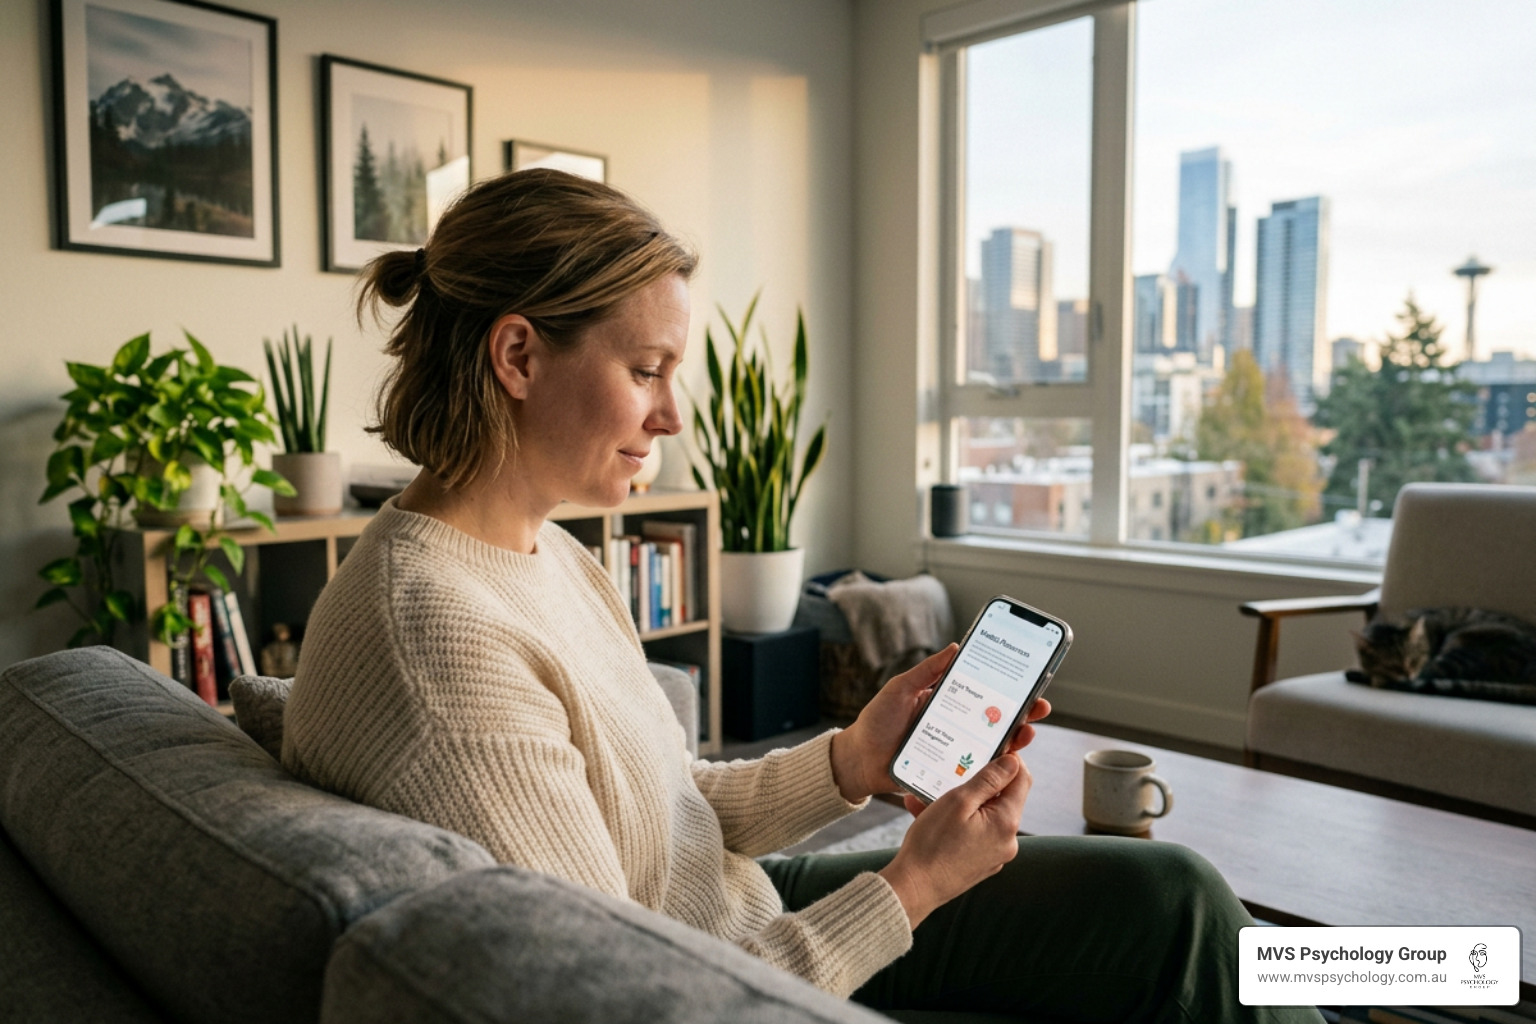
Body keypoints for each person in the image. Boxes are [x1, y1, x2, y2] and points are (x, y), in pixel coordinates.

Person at [283, 169, 1322, 1023]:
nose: (673, 416)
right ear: (517, 353)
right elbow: (624, 993)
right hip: (739, 977)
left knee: (1170, 891)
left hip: (746, 919)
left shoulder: (543, 554)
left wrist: (851, 760)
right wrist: (911, 884)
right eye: (647, 369)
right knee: (1171, 927)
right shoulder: (435, 633)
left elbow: (666, 805)